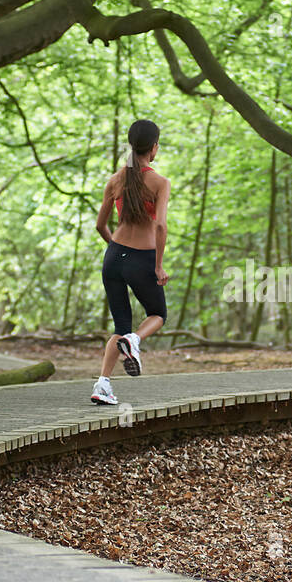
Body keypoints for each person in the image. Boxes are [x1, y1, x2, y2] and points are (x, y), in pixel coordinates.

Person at [91, 119, 170, 405]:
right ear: (153, 147)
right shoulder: (159, 182)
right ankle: (134, 341)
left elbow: (101, 225)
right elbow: (160, 226)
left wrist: (116, 252)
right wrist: (158, 265)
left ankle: (102, 385)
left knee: (120, 324)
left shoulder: (115, 180)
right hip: (142, 257)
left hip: (113, 257)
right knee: (158, 314)